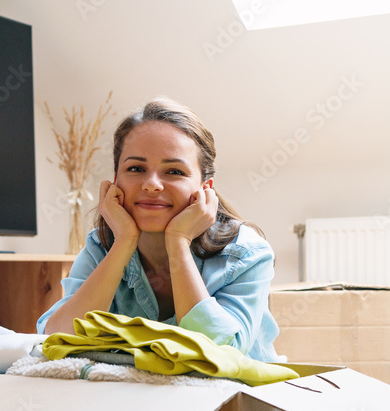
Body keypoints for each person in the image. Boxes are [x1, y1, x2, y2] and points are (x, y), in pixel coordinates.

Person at [37, 97, 282, 362]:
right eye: (136, 168)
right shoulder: (102, 245)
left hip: (232, 400)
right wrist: (124, 241)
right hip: (140, 399)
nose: (152, 184)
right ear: (115, 180)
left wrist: (178, 241)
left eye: (174, 171)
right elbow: (56, 339)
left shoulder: (246, 253)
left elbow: (221, 354)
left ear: (205, 188)